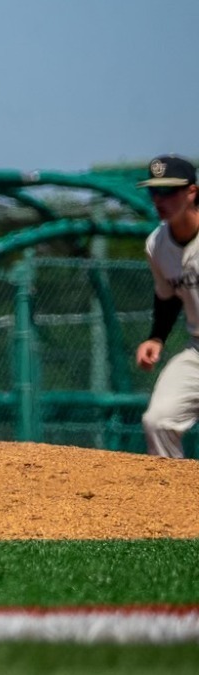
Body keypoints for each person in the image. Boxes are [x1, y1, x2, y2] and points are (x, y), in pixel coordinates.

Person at [136, 155, 199, 458]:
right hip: (197, 351)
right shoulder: (156, 245)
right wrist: (156, 336)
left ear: (192, 191)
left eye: (169, 191)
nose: (159, 199)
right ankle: (171, 501)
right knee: (158, 421)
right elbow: (168, 294)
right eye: (153, 191)